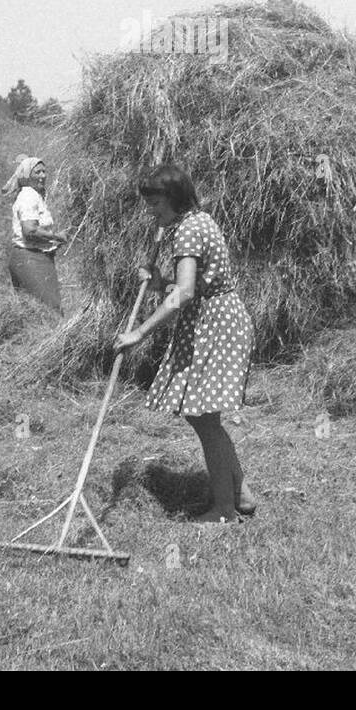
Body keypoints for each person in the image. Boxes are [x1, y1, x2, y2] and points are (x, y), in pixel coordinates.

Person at [114, 163, 257, 522]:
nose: (151, 211)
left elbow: (187, 293)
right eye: (148, 203)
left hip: (217, 326)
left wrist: (139, 332)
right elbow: (189, 286)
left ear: (175, 198)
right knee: (204, 418)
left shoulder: (187, 231)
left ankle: (224, 509)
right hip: (217, 321)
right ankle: (240, 493)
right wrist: (161, 282)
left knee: (204, 419)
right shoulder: (197, 222)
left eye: (156, 203)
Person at [3, 154, 67, 313]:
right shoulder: (28, 196)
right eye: (37, 172)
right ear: (27, 176)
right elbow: (30, 230)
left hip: (37, 258)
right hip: (30, 259)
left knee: (36, 311)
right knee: (49, 310)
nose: (43, 176)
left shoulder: (34, 196)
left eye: (44, 172)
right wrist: (56, 237)